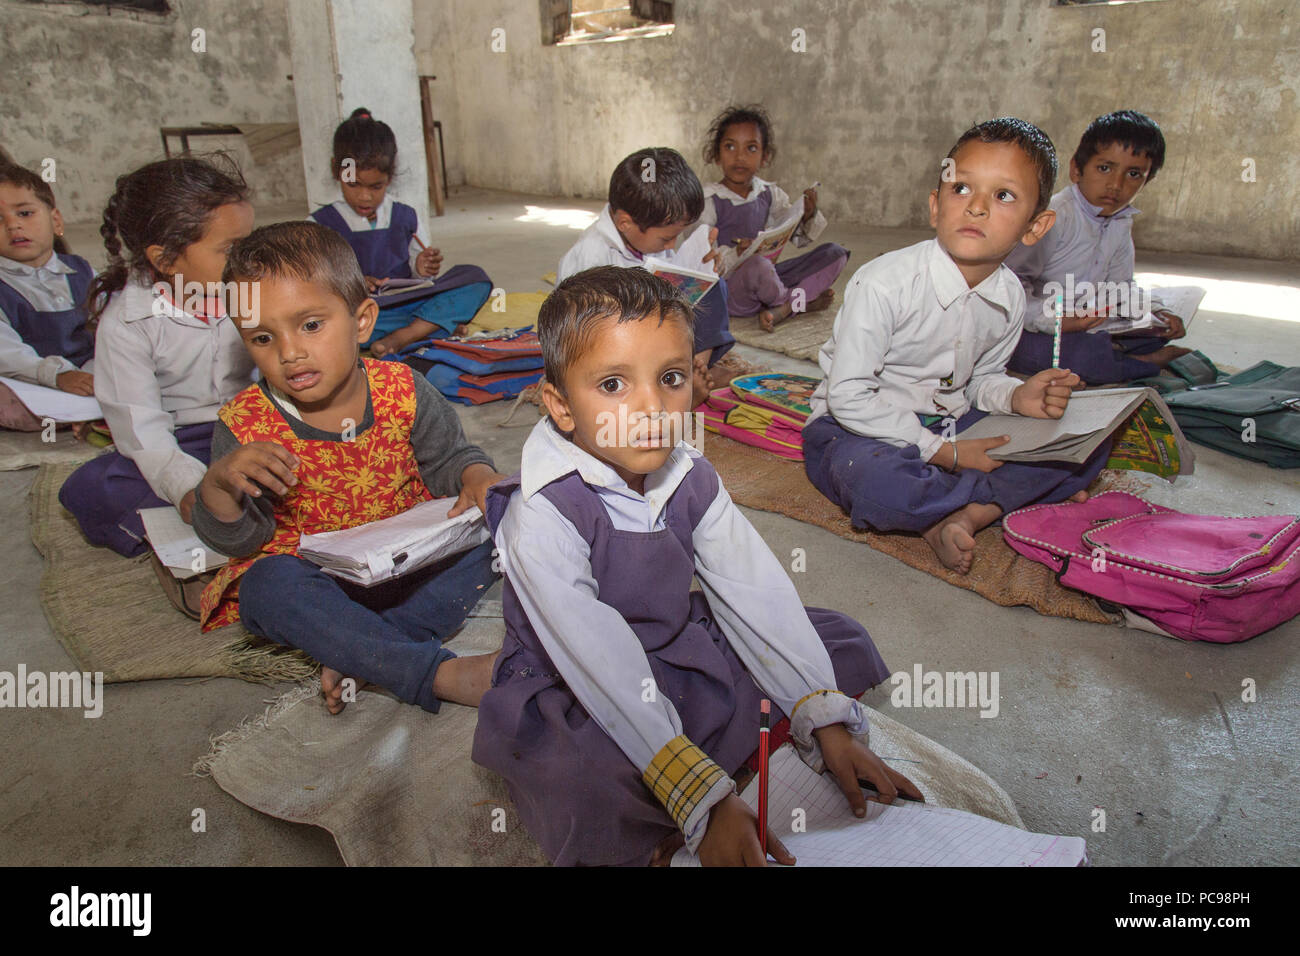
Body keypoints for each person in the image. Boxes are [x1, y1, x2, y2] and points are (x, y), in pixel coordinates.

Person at [473, 265, 919, 867]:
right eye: (612, 385)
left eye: (671, 378)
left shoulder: (691, 476)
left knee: (836, 640)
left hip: (671, 644)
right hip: (577, 678)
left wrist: (824, 718)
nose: (650, 408)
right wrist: (702, 801)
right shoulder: (542, 513)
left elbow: (753, 591)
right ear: (560, 405)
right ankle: (692, 780)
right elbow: (600, 659)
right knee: (582, 781)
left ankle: (735, 749)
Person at [192, 221, 504, 714]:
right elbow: (241, 541)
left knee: (499, 526)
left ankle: (369, 647)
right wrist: (217, 485)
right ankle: (435, 673)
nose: (290, 353)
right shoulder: (245, 426)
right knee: (266, 587)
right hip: (318, 582)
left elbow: (448, 459)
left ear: (362, 321)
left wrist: (476, 478)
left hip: (408, 562)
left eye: (310, 325)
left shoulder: (402, 388)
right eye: (262, 337)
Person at [803, 118, 1109, 575]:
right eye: (961, 188)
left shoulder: (1009, 297)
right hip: (857, 429)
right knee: (873, 480)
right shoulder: (884, 283)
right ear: (935, 205)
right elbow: (848, 398)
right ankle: (994, 499)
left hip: (952, 422)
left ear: (1036, 226)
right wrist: (949, 455)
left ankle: (959, 513)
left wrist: (1014, 395)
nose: (977, 208)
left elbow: (980, 382)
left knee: (1088, 433)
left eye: (1003, 195)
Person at [58, 156, 256, 557]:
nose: (246, 259)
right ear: (164, 260)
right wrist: (186, 486)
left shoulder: (248, 290)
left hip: (252, 426)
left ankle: (238, 508)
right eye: (230, 249)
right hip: (183, 439)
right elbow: (141, 428)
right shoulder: (127, 324)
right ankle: (216, 517)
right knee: (96, 486)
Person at [1003, 110, 1191, 383]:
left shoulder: (1121, 221)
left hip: (1086, 324)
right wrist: (1057, 322)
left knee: (1152, 334)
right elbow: (1009, 288)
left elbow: (1122, 285)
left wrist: (1159, 311)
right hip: (1031, 327)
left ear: (1146, 181)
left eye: (1134, 174)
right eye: (1105, 168)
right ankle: (1140, 364)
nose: (1116, 184)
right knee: (1077, 357)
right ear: (1076, 169)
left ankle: (1122, 355)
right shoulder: (1055, 216)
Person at [309, 107, 492, 358]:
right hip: (358, 314)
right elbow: (310, 283)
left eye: (376, 186)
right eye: (353, 184)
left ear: (390, 177)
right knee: (320, 323)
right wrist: (351, 283)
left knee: (474, 278)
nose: (365, 196)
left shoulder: (405, 215)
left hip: (406, 305)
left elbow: (420, 277)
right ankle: (429, 328)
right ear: (336, 171)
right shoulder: (319, 224)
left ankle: (403, 337)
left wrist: (421, 266)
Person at [557, 147, 733, 404]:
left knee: (716, 287)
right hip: (615, 339)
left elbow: (674, 277)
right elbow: (585, 331)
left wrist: (703, 269)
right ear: (625, 223)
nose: (671, 245)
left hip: (659, 332)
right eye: (666, 237)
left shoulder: (649, 233)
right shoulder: (591, 255)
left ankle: (695, 368)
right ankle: (676, 383)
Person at [699, 104, 848, 332]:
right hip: (733, 291)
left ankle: (786, 304)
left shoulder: (769, 194)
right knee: (758, 265)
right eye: (730, 147)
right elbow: (702, 262)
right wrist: (737, 254)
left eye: (751, 148)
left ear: (764, 156)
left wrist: (806, 215)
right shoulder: (709, 199)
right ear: (717, 155)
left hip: (769, 278)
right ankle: (795, 304)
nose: (739, 156)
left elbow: (798, 239)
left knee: (835, 254)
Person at [0, 163, 95, 431]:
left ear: (56, 221)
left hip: (90, 373)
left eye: (25, 213)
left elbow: (113, 327)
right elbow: (6, 354)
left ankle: (85, 411)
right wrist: (56, 375)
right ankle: (80, 414)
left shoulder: (83, 272)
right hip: (29, 379)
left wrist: (92, 373)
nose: (13, 225)